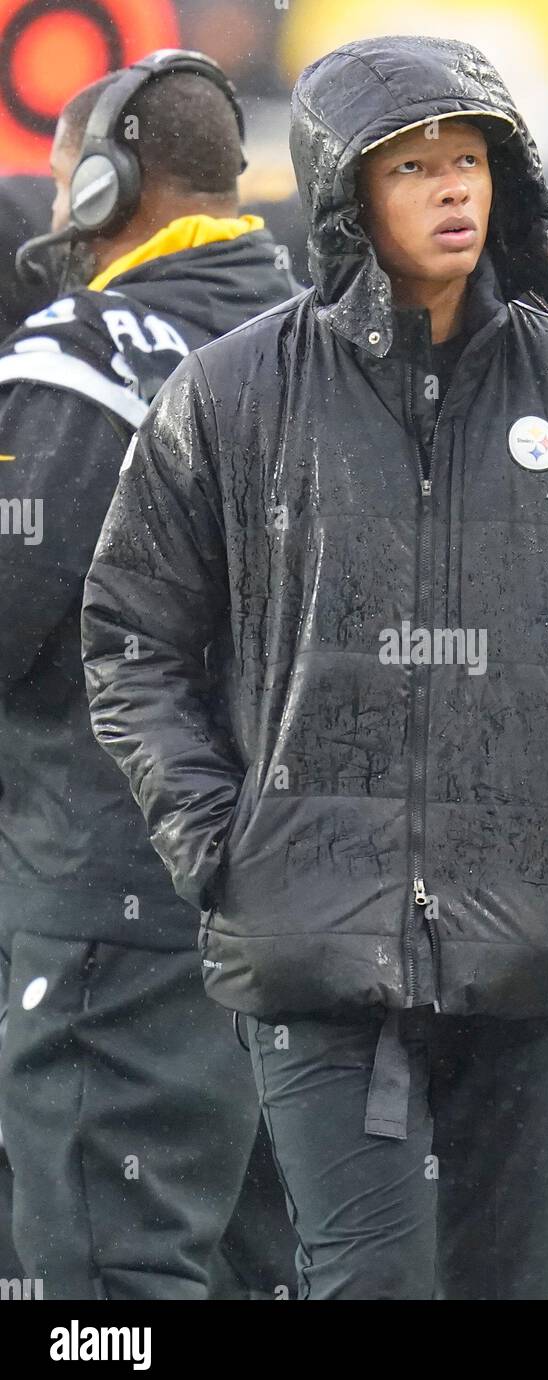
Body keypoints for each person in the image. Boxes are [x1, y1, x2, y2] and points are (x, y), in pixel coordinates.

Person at [81, 35, 548, 1301]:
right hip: (315, 959)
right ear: (342, 194)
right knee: (368, 1287)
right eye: (414, 165)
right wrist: (223, 840)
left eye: (468, 160)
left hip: (521, 957)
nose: (451, 189)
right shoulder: (233, 396)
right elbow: (131, 635)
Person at [0, 50, 299, 1299]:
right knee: (258, 1261)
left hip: (115, 891)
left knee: (106, 1278)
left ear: (102, 180)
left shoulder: (85, 353)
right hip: (301, 892)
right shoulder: (321, 340)